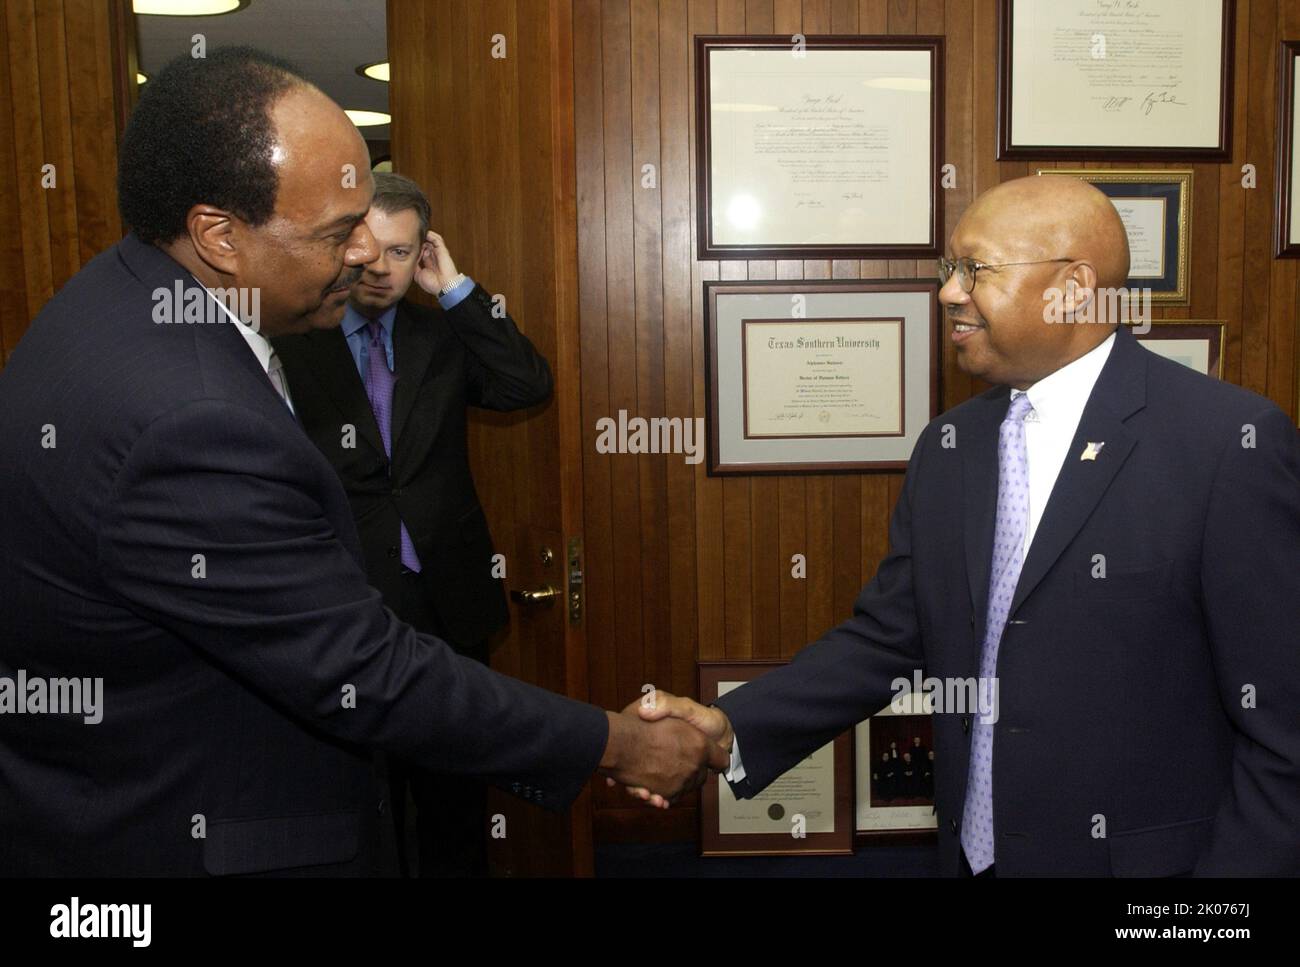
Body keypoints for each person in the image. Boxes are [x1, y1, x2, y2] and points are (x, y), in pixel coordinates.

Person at [0, 47, 724, 877]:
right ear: (219, 236)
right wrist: (619, 742)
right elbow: (361, 670)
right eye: (337, 234)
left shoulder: (113, 300)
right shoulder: (187, 417)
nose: (362, 256)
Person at [618, 175, 1300, 876]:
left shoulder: (1228, 445)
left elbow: (1285, 736)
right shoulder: (950, 446)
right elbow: (889, 636)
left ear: (1072, 285)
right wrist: (731, 729)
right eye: (951, 269)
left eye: (974, 269)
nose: (948, 291)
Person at [271, 172, 547, 877]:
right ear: (344, 246)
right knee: (363, 797)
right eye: (368, 251)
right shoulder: (296, 335)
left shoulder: (444, 333)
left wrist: (453, 288)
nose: (382, 270)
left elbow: (526, 384)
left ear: (423, 252)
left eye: (403, 253)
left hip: (446, 602)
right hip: (343, 602)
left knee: (455, 796)